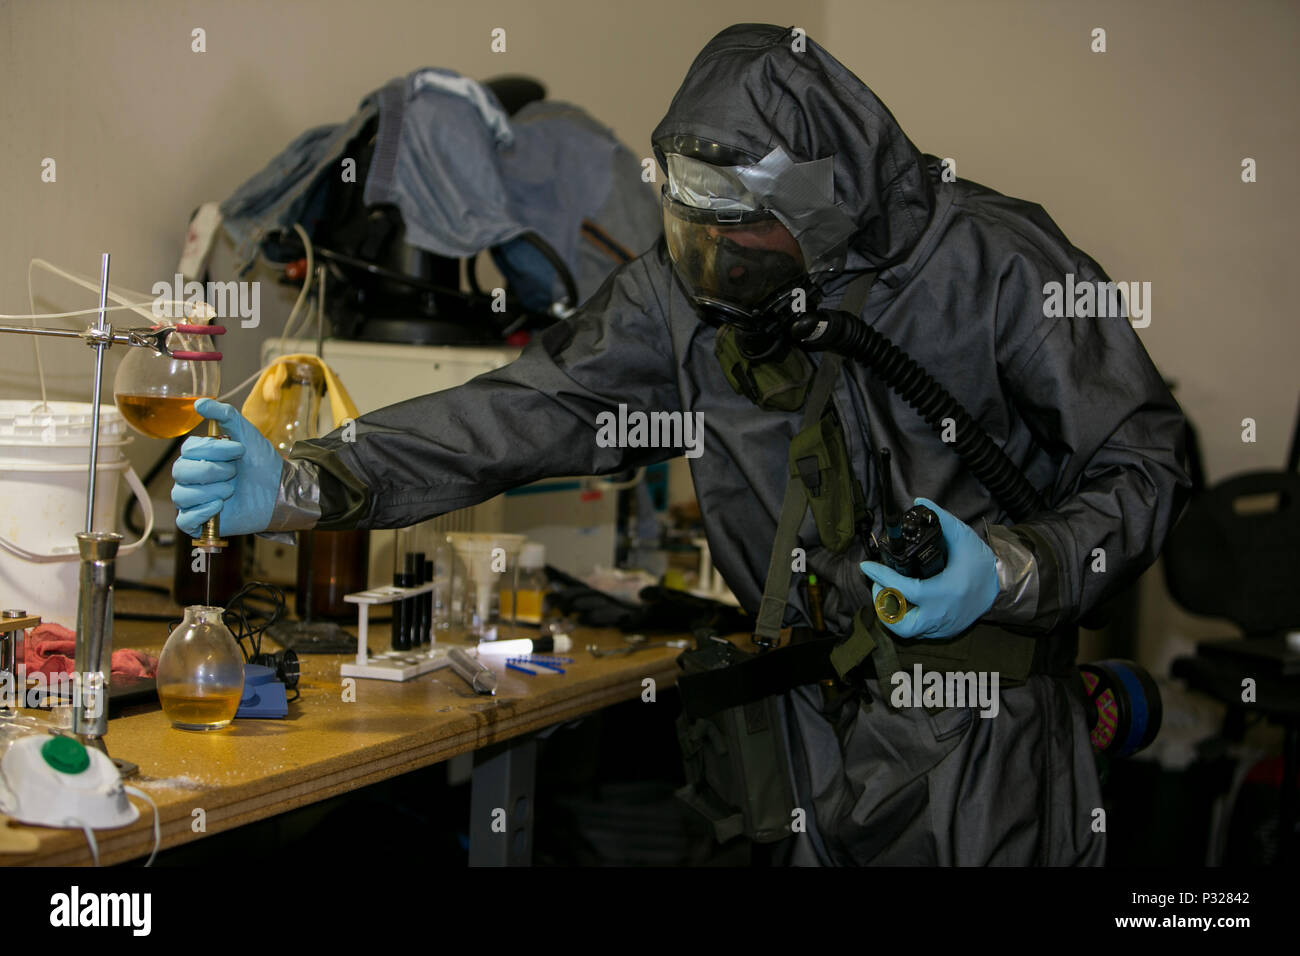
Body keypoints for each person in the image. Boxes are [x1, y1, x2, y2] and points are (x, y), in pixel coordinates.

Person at [172, 23, 1189, 865]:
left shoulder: (994, 266)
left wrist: (1012, 568)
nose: (712, 263)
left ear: (824, 207)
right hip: (789, 727)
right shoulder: (681, 295)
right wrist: (315, 478)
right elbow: (526, 406)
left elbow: (1147, 462)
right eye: (692, 224)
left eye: (742, 230)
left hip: (978, 742)